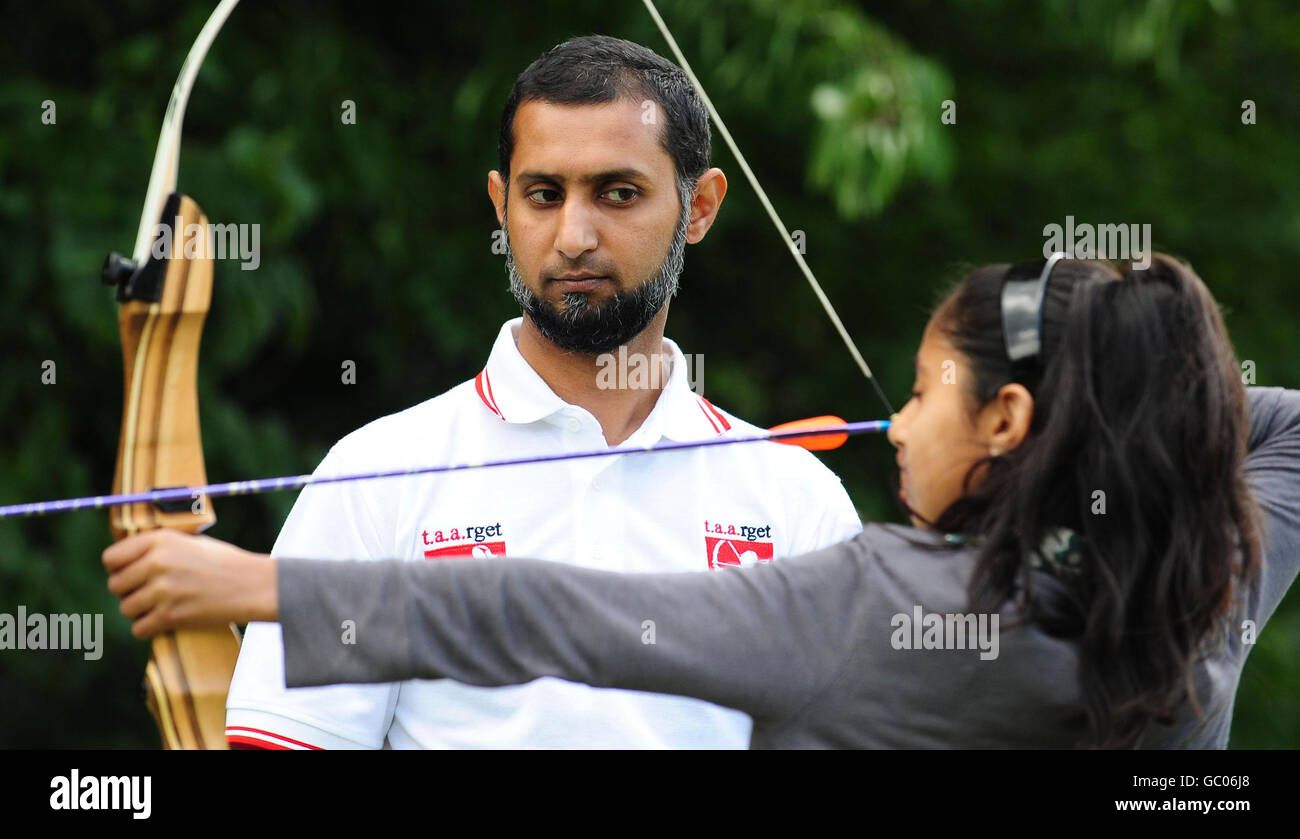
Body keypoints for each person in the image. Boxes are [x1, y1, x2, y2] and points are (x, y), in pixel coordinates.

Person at [105, 254, 1300, 748]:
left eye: (931, 389)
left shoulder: (880, 602)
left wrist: (263, 584)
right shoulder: (1214, 583)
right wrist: (1128, 399)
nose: (899, 410)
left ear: (1006, 426)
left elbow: (554, 612)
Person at [216, 35, 862, 749]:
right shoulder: (375, 478)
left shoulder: (797, 501)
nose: (574, 236)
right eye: (544, 194)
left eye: (619, 192)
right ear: (502, 204)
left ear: (699, 206)